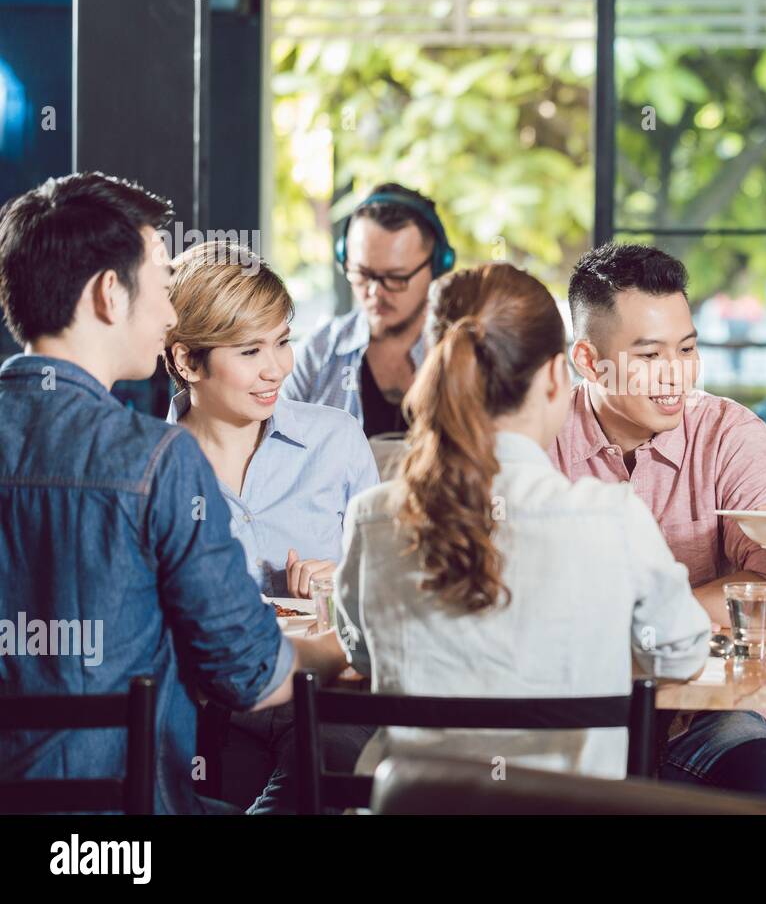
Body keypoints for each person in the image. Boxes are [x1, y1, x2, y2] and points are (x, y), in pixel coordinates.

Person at [0, 172, 346, 814]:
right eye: (162, 283)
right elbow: (246, 671)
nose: (168, 313)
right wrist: (341, 649)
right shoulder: (155, 458)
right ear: (109, 294)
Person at [336, 261, 712, 779]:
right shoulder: (612, 516)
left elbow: (364, 657)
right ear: (559, 375)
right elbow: (680, 654)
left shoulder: (372, 517)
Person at [553, 242, 766, 807]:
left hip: (705, 714)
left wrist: (610, 618)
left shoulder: (730, 434)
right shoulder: (541, 434)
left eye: (687, 349)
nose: (675, 375)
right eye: (649, 356)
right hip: (564, 713)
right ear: (587, 360)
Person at [163, 240, 379, 813]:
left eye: (282, 341)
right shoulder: (150, 467)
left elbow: (388, 597)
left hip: (328, 697)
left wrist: (344, 589)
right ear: (187, 361)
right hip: (209, 705)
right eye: (251, 350)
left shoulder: (336, 440)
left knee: (320, 774)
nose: (278, 367)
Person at [283, 183, 456, 437]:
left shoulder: (468, 353)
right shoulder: (317, 354)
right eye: (362, 274)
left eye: (396, 277)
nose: (374, 292)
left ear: (438, 266)